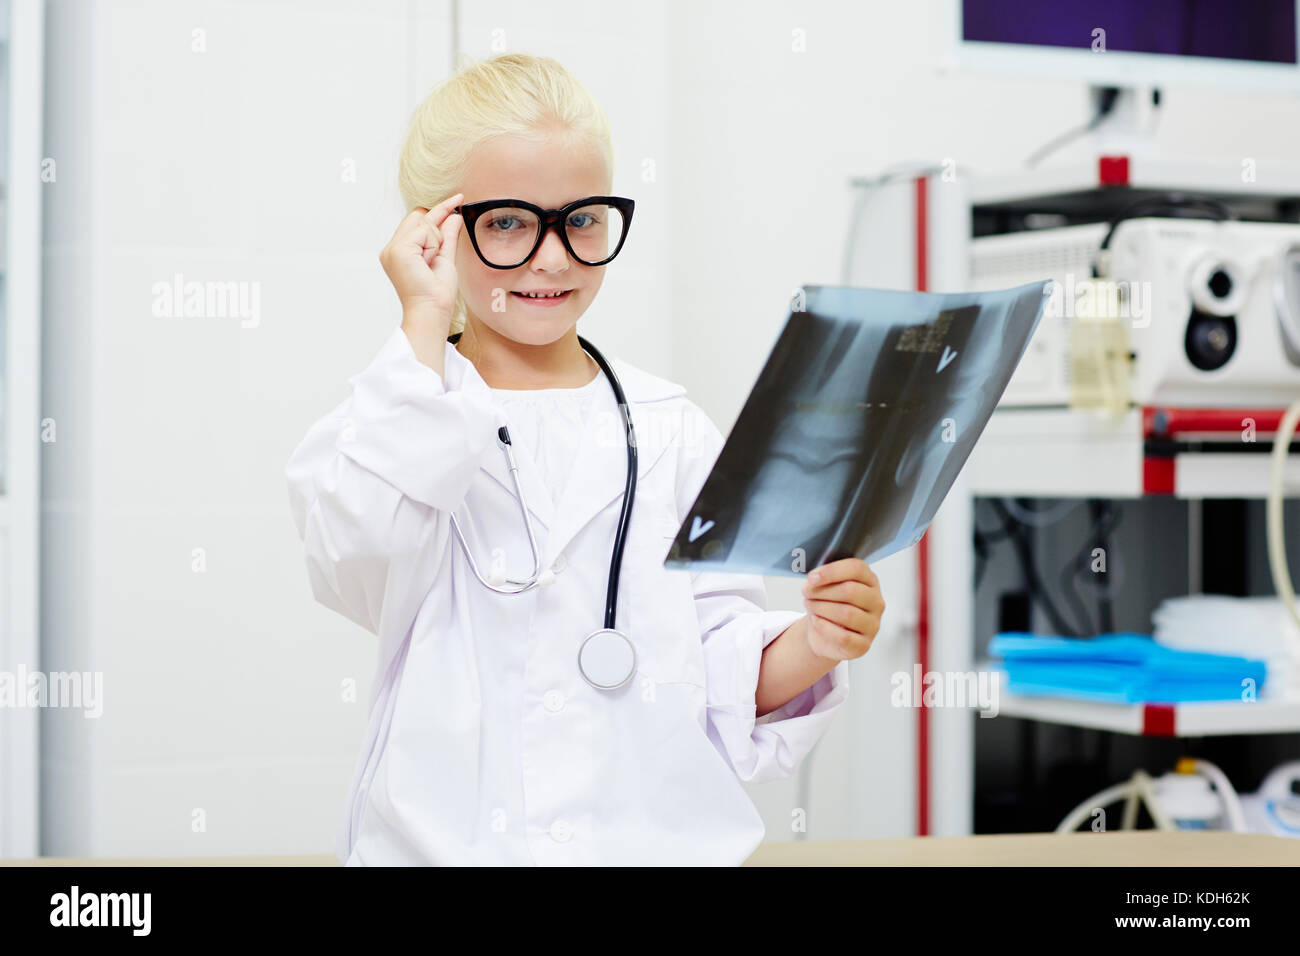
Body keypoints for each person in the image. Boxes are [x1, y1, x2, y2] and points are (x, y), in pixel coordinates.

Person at [285, 52, 885, 866]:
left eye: (582, 218)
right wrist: (424, 322)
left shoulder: (670, 429)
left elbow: (720, 662)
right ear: (432, 231)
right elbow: (363, 557)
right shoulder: (390, 418)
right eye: (505, 221)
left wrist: (817, 639)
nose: (553, 256)